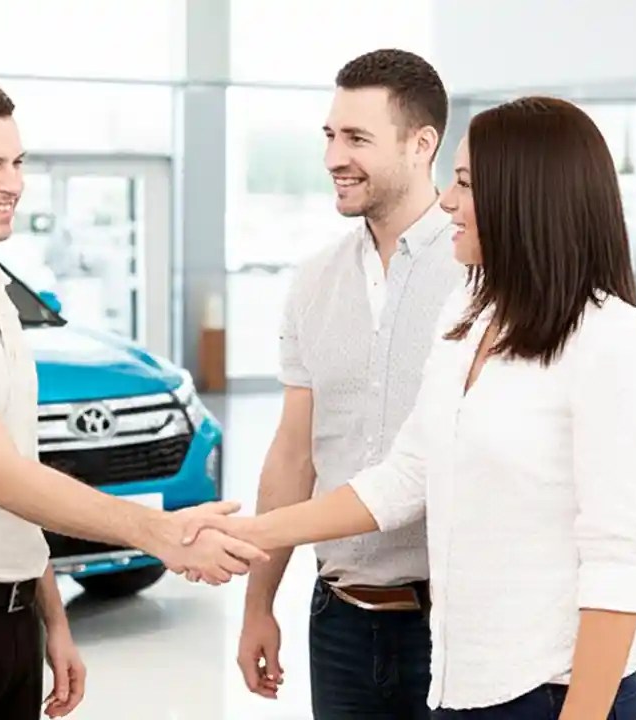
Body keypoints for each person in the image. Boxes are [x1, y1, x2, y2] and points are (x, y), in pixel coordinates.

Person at [187, 96, 636, 719]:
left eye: (466, 184)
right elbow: (402, 478)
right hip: (459, 684)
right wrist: (249, 533)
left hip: (553, 692)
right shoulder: (469, 320)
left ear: (525, 199)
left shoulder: (614, 342)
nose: (446, 202)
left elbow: (618, 560)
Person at [0, 73, 266, 720]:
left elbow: (20, 469)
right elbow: (3, 480)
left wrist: (50, 619)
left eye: (17, 161)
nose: (12, 182)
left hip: (6, 619)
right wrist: (162, 533)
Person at [233, 49, 463, 719]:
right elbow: (292, 455)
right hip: (336, 620)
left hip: (452, 619)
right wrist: (257, 604)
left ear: (422, 145)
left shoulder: (479, 275)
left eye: (357, 138)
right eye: (330, 136)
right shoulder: (314, 281)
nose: (334, 156)